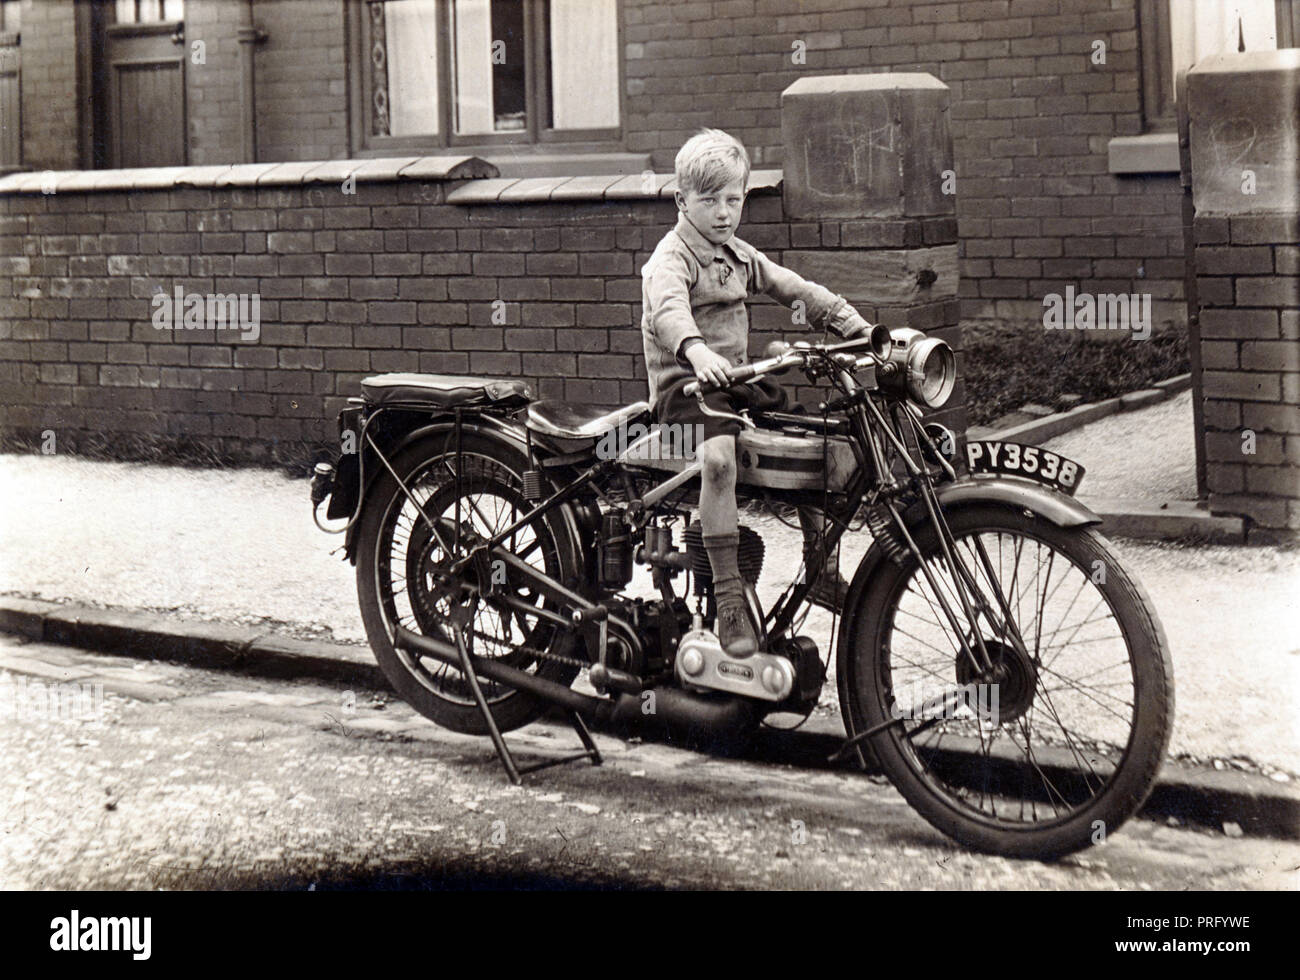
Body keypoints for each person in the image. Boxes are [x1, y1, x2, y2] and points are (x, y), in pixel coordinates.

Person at [640, 129, 871, 656]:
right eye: (710, 200)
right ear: (681, 202)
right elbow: (668, 312)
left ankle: (821, 565)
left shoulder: (738, 253)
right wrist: (697, 352)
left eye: (733, 199)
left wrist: (858, 329)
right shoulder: (670, 259)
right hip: (687, 386)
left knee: (818, 436)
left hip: (737, 380)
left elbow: (794, 287)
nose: (724, 213)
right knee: (719, 459)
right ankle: (728, 598)